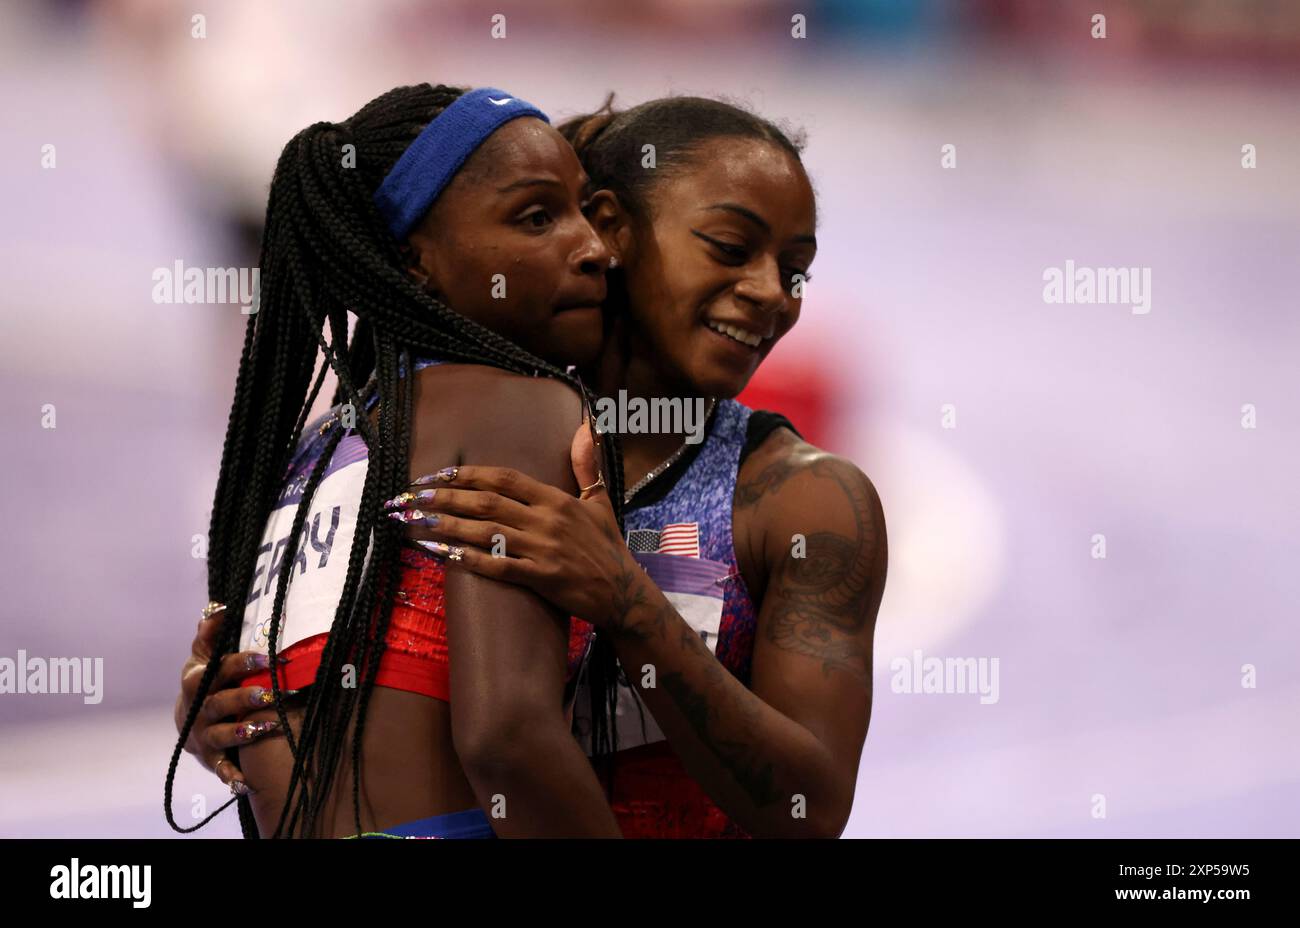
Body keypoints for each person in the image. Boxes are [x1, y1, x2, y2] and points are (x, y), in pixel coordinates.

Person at [384, 96, 888, 838]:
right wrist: (248, 713)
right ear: (612, 229)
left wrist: (628, 602)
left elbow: (808, 811)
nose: (771, 293)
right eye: (729, 246)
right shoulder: (464, 436)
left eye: (795, 271)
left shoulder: (803, 501)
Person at [167, 82, 632, 838]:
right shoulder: (519, 404)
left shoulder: (313, 456)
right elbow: (506, 735)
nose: (594, 250)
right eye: (537, 217)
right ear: (413, 263)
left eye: (585, 211)